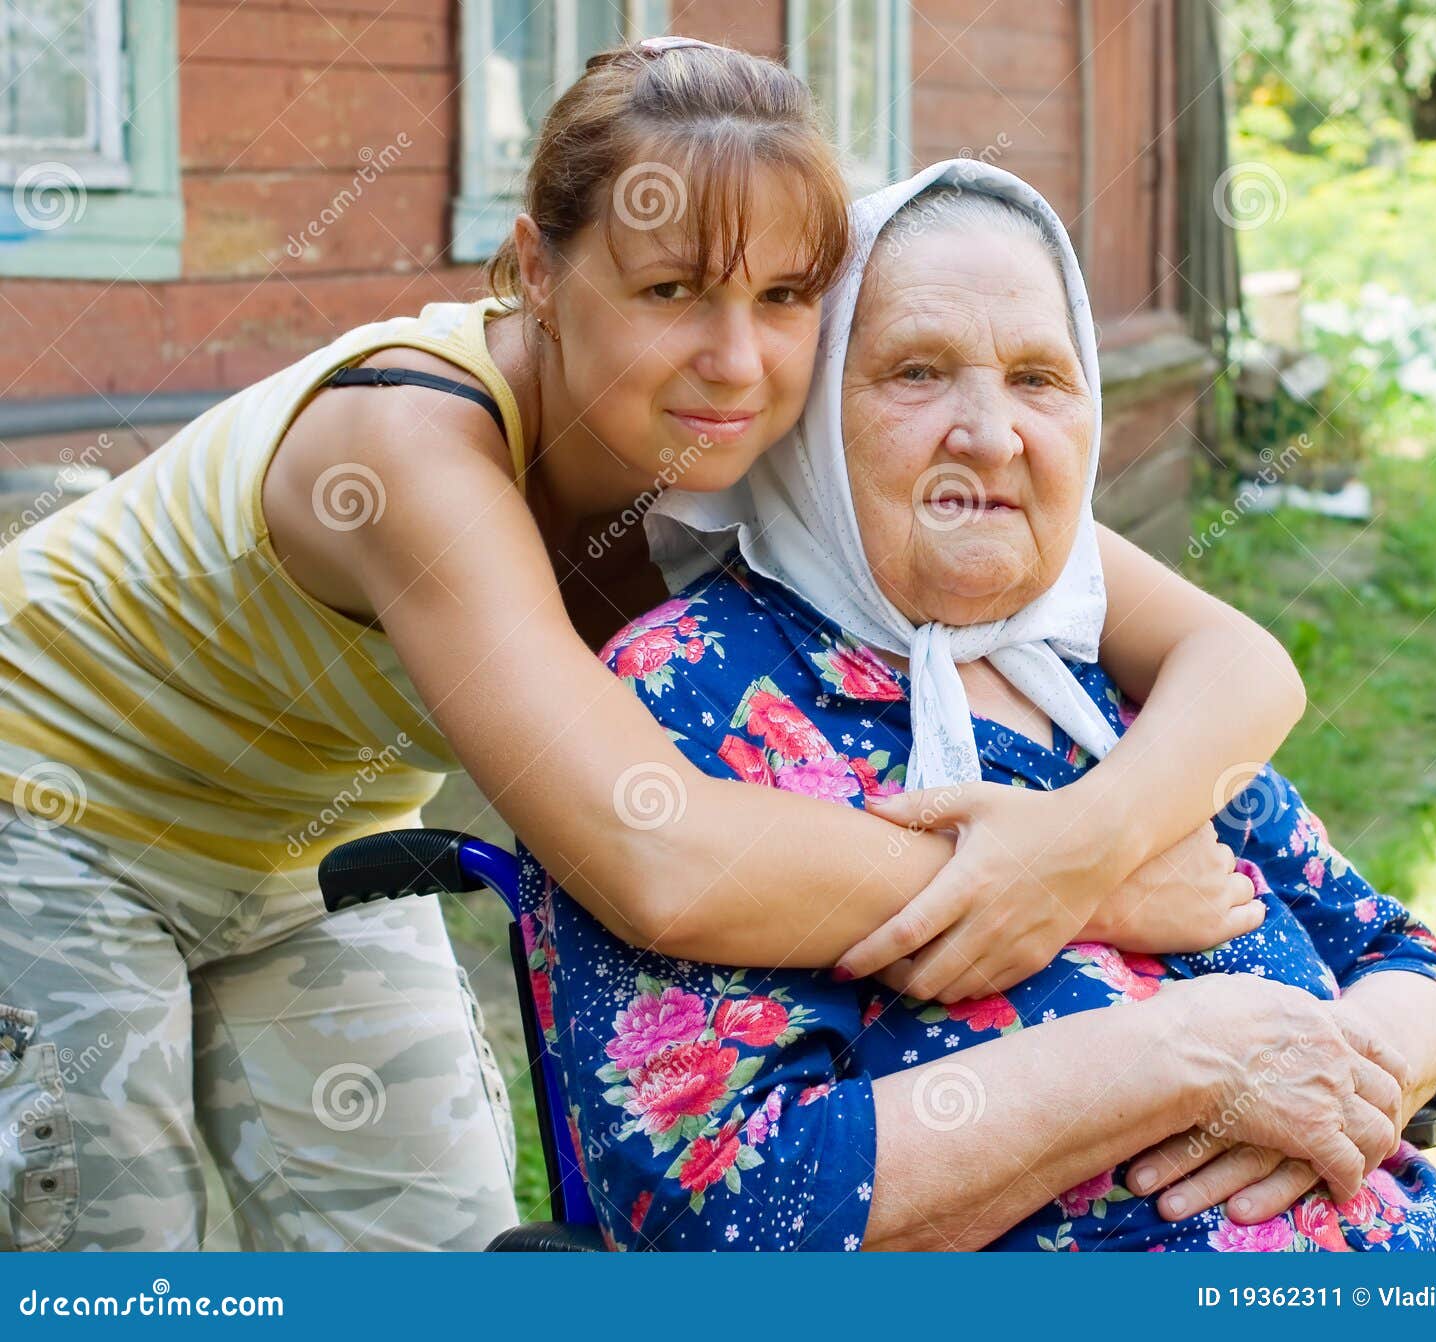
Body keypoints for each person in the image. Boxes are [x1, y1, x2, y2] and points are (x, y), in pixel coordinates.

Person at [0, 41, 1299, 1252]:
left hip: (303, 853)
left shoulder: (759, 417)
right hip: (52, 818)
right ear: (538, 271)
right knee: (113, 1247)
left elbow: (1242, 664)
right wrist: (1081, 884)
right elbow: (655, 854)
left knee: (430, 1248)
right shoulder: (405, 447)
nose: (735, 359)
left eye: (787, 294)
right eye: (670, 288)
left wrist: (1090, 830)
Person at [526, 160, 1436, 1252]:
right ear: (807, 417)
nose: (992, 435)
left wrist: (1334, 1072)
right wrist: (1180, 1059)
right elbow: (720, 1217)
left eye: (1040, 378)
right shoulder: (696, 696)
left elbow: (1399, 956)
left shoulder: (1108, 679)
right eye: (916, 372)